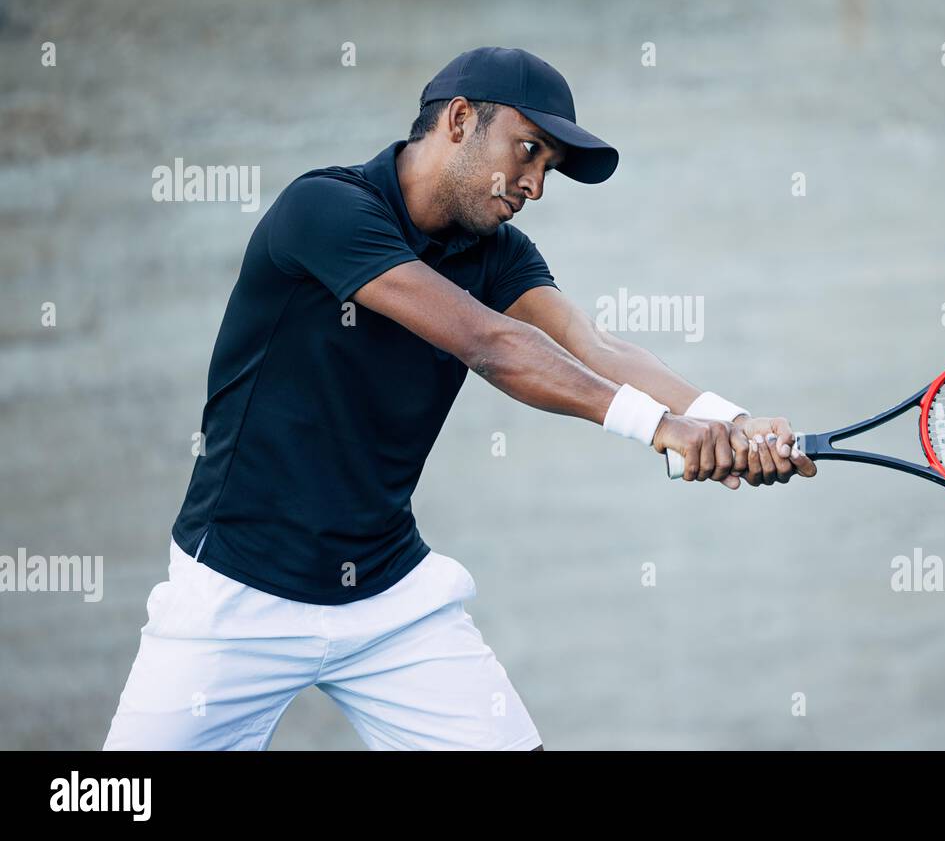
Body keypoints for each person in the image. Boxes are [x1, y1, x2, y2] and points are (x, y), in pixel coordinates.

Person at [104, 46, 815, 751]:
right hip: (236, 590)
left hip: (388, 596)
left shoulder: (499, 254)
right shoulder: (322, 209)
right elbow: (490, 344)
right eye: (528, 150)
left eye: (548, 170)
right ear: (460, 118)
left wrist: (731, 422)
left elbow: (594, 345)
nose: (534, 184)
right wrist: (661, 427)